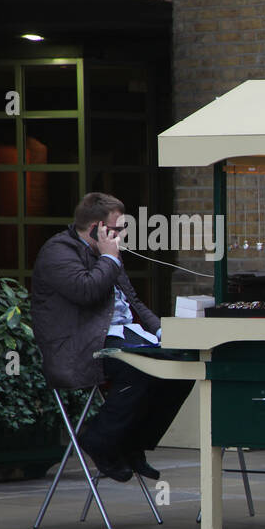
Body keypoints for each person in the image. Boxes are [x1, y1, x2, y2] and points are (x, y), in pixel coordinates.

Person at [31, 192, 194, 483]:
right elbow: (86, 291)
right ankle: (100, 440)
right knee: (141, 368)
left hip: (122, 335)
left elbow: (133, 301)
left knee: (183, 366)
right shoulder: (58, 252)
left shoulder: (109, 255)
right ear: (96, 227)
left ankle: (132, 443)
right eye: (117, 229)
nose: (122, 235)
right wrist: (109, 257)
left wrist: (162, 331)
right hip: (80, 346)